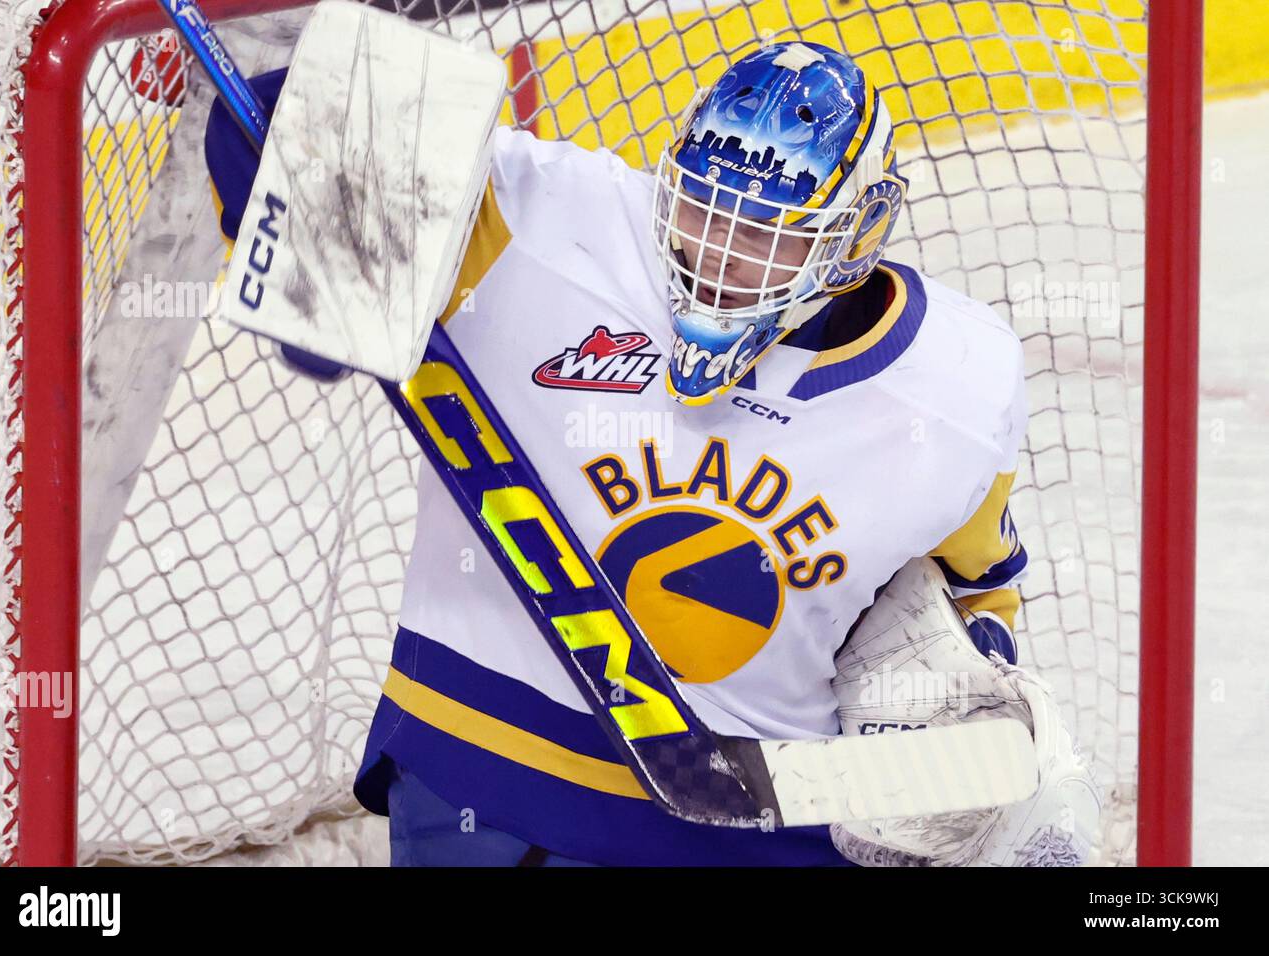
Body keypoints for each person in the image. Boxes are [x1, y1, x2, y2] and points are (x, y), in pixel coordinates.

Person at [206, 40, 1073, 867]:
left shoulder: (960, 389)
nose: (719, 255)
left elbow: (976, 581)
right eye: (704, 208)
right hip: (483, 782)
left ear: (855, 235)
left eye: (767, 232)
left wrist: (977, 688)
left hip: (765, 832)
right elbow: (296, 110)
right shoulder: (535, 220)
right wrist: (304, 228)